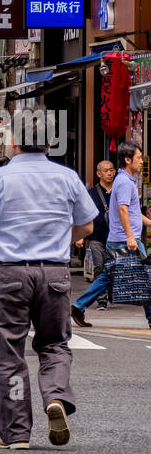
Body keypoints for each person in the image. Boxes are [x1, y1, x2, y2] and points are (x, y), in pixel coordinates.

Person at [0, 132, 97, 449]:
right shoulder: (66, 177)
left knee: (8, 353)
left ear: (15, 144)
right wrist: (63, 236)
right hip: (55, 273)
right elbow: (87, 225)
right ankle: (56, 396)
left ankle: (16, 432)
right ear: (49, 145)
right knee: (55, 344)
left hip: (12, 273)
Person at [71, 141, 151, 330]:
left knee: (108, 277)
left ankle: (78, 306)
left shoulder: (124, 180)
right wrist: (131, 237)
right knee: (147, 277)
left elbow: (130, 210)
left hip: (120, 238)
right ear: (127, 159)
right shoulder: (124, 182)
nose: (141, 161)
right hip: (125, 240)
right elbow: (122, 209)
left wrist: (147, 222)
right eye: (138, 158)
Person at [74, 158, 116, 309]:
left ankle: (111, 294)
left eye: (112, 170)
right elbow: (84, 214)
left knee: (115, 268)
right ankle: (102, 300)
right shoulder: (91, 193)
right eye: (106, 170)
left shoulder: (119, 190)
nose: (110, 173)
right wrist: (80, 236)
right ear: (98, 174)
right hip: (97, 236)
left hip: (116, 237)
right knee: (99, 267)